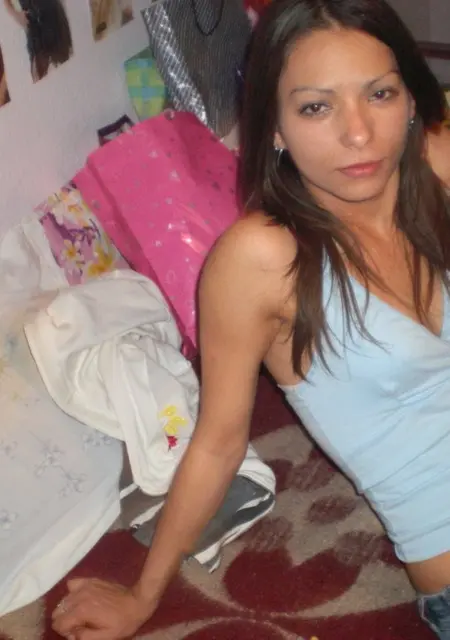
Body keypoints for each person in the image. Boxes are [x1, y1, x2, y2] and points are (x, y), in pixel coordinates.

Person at [52, 0, 450, 638]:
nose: (358, 133)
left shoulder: (430, 166)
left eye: (379, 94)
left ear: (409, 101)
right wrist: (142, 596)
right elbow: (218, 441)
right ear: (276, 128)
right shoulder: (261, 258)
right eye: (316, 107)